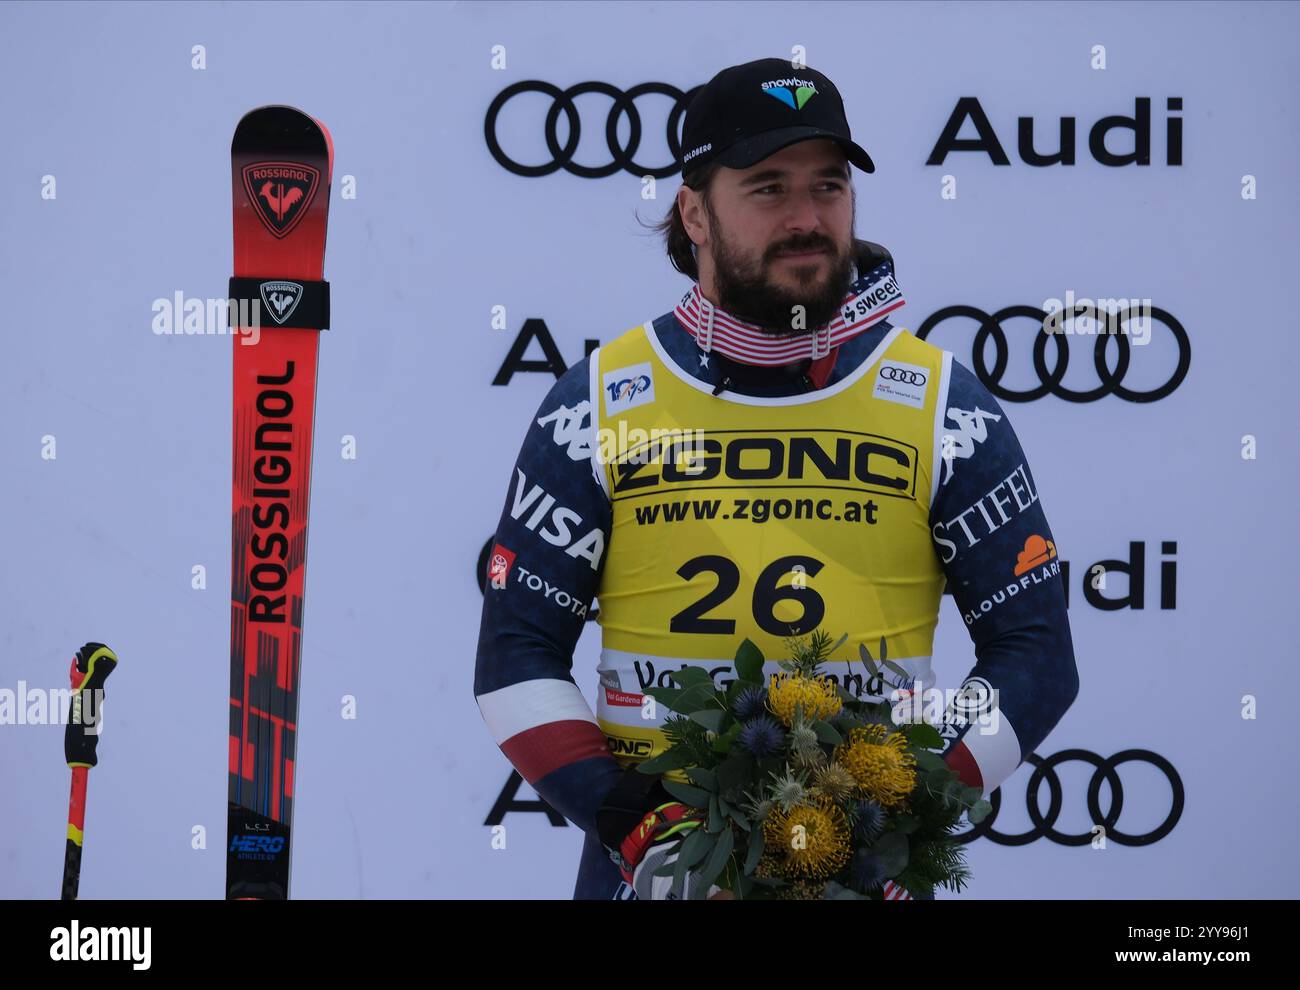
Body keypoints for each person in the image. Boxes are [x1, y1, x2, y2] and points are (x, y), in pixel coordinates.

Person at [474, 57, 1079, 900]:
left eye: (828, 187)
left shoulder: (945, 405)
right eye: (767, 189)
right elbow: (516, 658)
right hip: (659, 869)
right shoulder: (600, 404)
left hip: (865, 865)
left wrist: (893, 801)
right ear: (693, 211)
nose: (807, 217)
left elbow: (1036, 658)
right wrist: (641, 827)